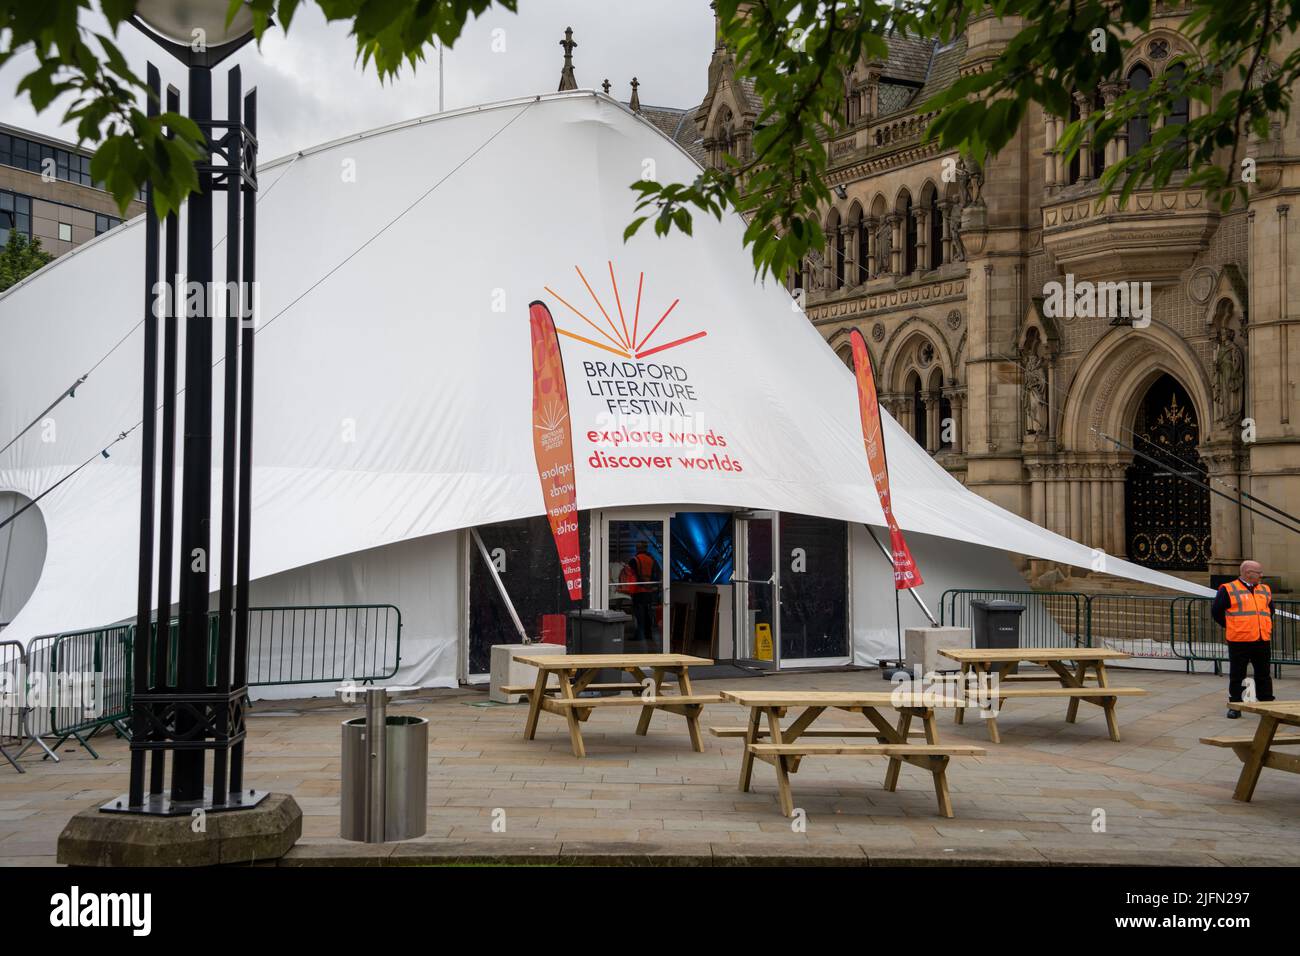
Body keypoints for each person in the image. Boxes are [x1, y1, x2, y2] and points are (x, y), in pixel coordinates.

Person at [1213, 560, 1275, 718]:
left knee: (1264, 674)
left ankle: (1267, 704)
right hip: (1239, 640)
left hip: (1261, 639)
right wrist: (1234, 626)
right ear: (1247, 573)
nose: (1261, 575)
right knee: (1237, 674)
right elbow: (1217, 612)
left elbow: (1270, 610)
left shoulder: (1265, 589)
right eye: (1258, 572)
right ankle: (1236, 705)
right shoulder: (1228, 589)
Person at [626, 541, 660, 645]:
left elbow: (632, 575)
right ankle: (648, 634)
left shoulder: (634, 560)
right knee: (647, 613)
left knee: (639, 614)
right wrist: (652, 585)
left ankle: (639, 635)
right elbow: (658, 573)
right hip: (648, 591)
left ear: (638, 548)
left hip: (638, 590)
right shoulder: (652, 560)